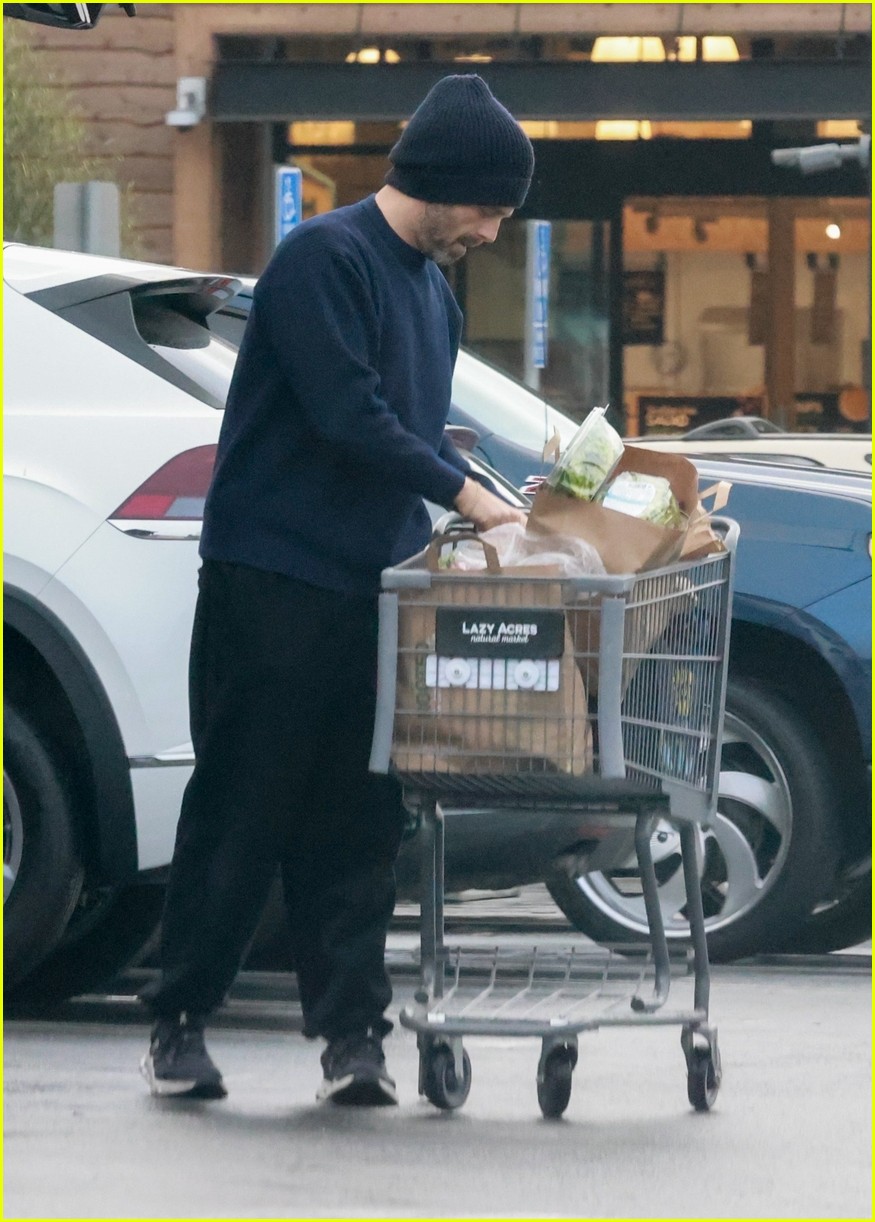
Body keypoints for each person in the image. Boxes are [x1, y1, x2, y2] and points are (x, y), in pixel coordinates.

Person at [138, 74, 533, 1106]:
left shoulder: (431, 293)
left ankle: (353, 1037)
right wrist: (464, 499)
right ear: (446, 184)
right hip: (273, 573)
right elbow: (345, 414)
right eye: (490, 207)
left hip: (374, 586)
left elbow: (416, 423)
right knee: (242, 801)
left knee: (361, 817)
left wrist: (502, 493)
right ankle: (178, 1018)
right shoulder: (324, 258)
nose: (491, 231)